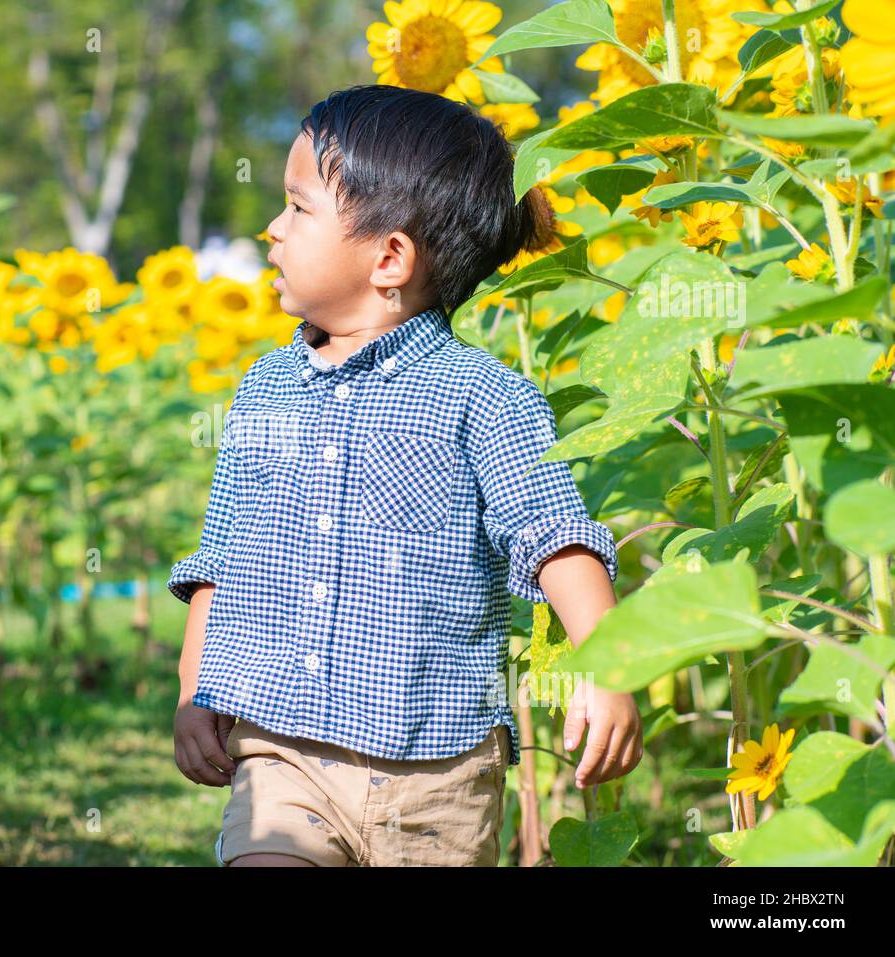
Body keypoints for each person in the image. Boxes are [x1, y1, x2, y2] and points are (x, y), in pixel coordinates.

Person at [168, 83, 641, 867]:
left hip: (439, 780)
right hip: (280, 757)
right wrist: (195, 690)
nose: (272, 229)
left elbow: (554, 536)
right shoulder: (264, 387)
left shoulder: (485, 397)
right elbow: (224, 555)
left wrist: (609, 659)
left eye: (296, 207)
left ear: (389, 258)